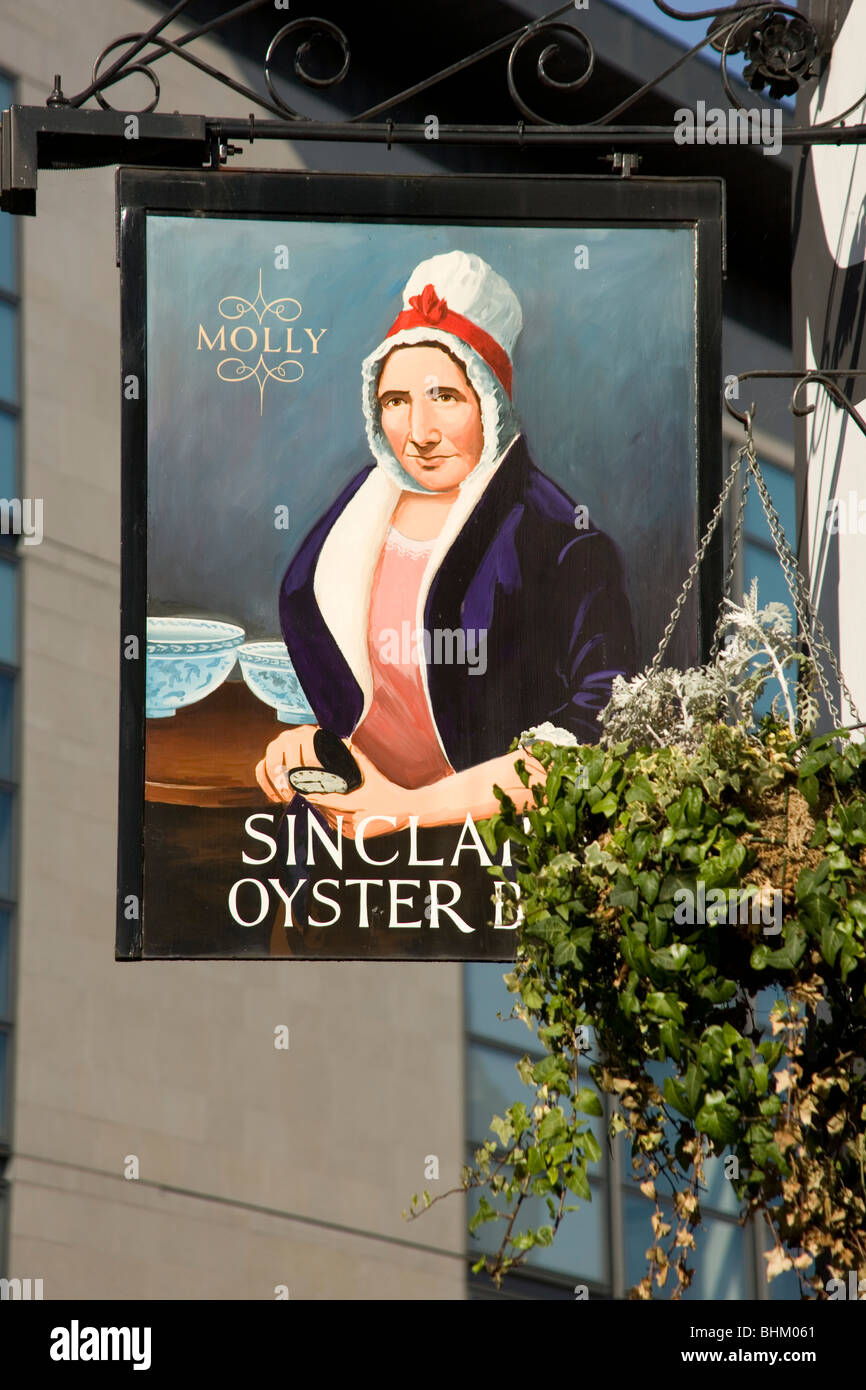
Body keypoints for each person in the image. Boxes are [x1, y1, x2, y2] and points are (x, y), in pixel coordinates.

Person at [255, 250, 636, 835]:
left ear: (491, 401)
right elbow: (372, 696)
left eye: (446, 398)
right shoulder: (360, 512)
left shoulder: (562, 542)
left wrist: (407, 812)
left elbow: (601, 728)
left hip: (496, 864)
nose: (419, 434)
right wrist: (318, 746)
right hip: (350, 842)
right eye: (396, 402)